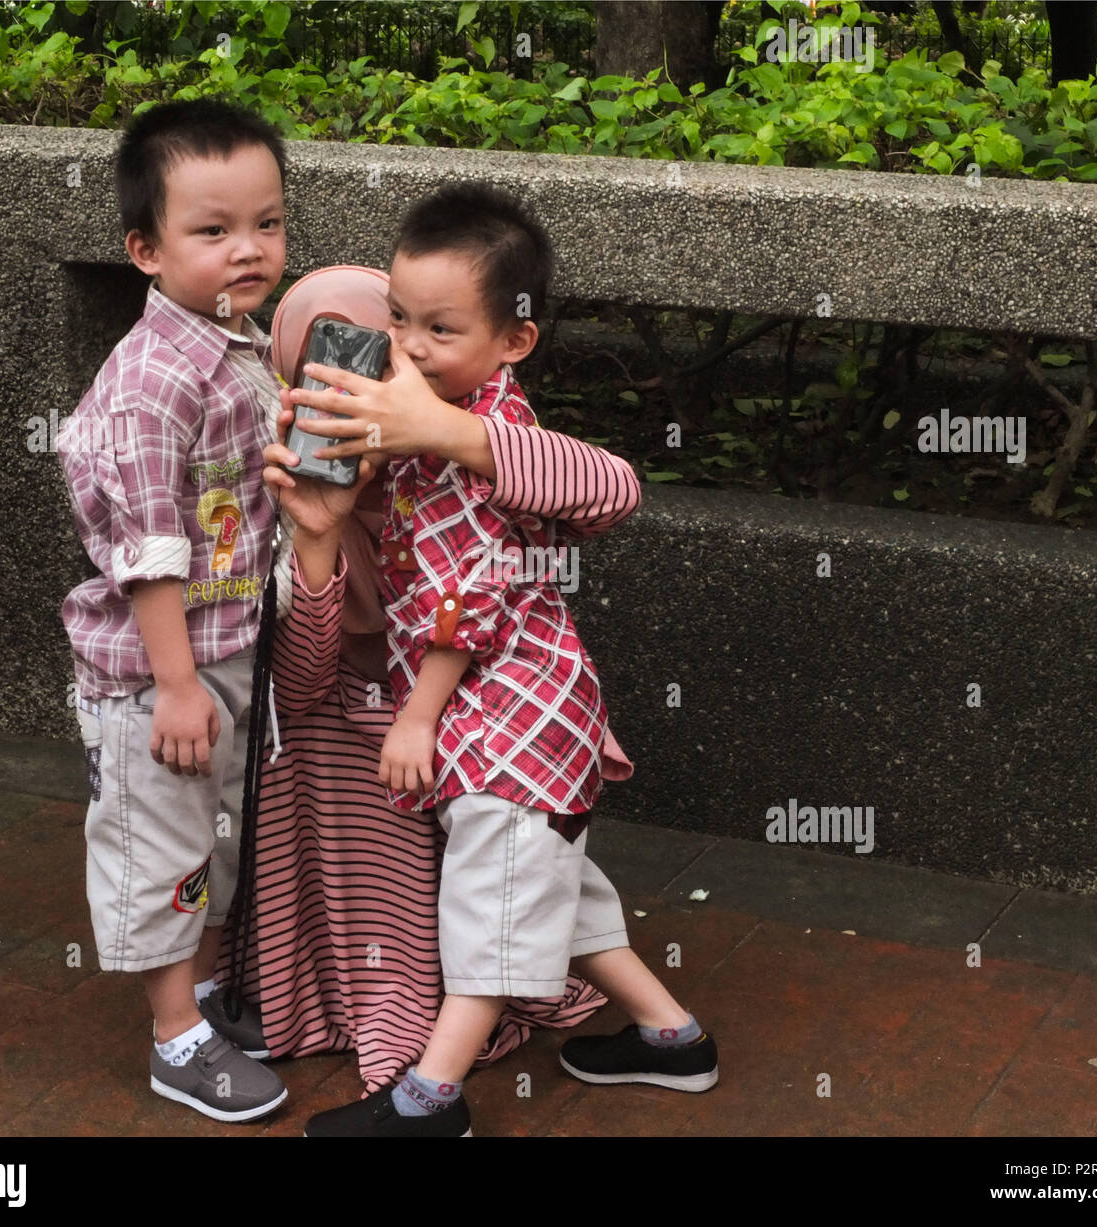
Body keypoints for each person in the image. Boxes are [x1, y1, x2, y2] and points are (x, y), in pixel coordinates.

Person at [294, 184, 719, 1138]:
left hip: (508, 720)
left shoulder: (485, 436)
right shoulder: (448, 419)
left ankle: (430, 1101)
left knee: (488, 918)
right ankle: (673, 1037)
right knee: (554, 896)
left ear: (514, 338)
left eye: (440, 329)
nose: (409, 347)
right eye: (398, 319)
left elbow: (472, 594)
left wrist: (416, 717)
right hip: (521, 722)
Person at [229, 263, 647, 1104]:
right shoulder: (289, 484)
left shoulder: (462, 455)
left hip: (481, 721)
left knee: (511, 888)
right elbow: (299, 688)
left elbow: (616, 490)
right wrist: (318, 535)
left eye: (377, 369)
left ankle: (432, 1089)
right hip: (366, 731)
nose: (356, 397)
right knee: (535, 880)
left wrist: (446, 433)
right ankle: (670, 1032)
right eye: (323, 379)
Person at [57, 97, 294, 1123]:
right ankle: (174, 1036)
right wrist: (177, 684)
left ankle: (203, 994)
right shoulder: (155, 380)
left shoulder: (237, 341)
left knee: (217, 840)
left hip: (225, 647)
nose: (248, 248)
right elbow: (149, 548)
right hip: (160, 670)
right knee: (160, 845)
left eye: (268, 223)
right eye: (213, 230)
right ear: (145, 250)